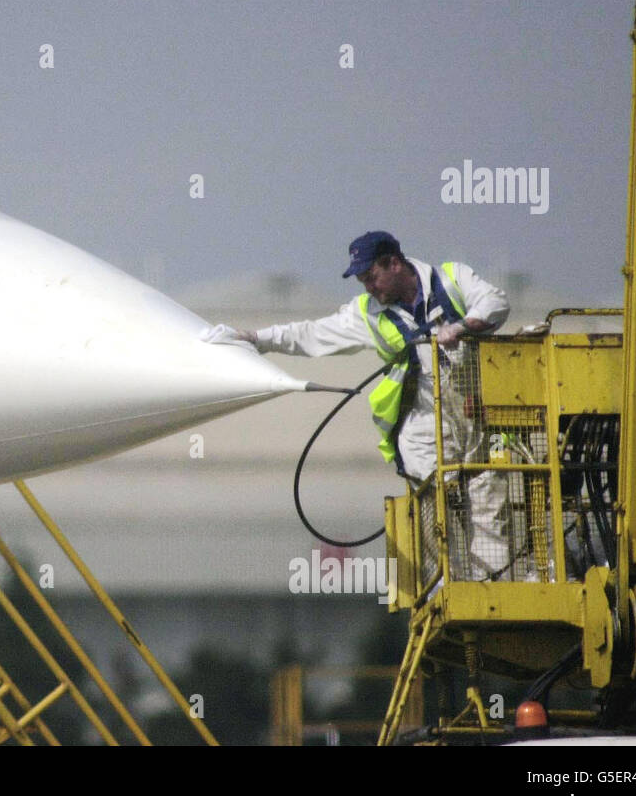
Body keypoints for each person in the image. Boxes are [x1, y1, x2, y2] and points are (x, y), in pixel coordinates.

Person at [202, 231, 518, 581]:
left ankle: (496, 588)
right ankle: (450, 588)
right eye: (363, 280)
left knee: (489, 502)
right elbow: (312, 334)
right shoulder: (368, 314)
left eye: (372, 277)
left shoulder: (452, 278)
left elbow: (495, 303)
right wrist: (255, 339)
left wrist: (461, 327)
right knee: (434, 503)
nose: (368, 287)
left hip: (480, 414)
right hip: (425, 420)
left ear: (394, 263)